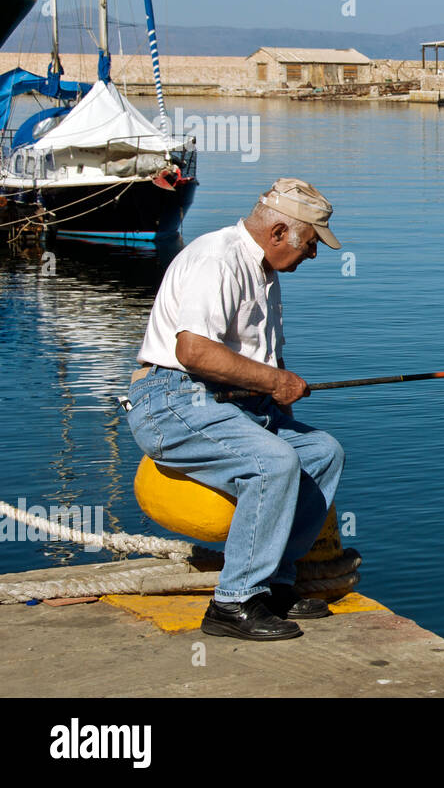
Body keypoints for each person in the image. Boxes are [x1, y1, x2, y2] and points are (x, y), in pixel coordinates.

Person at [123, 178, 345, 642]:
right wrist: (277, 381)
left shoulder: (264, 272)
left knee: (322, 452)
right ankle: (234, 603)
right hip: (172, 400)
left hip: (236, 404)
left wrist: (274, 389)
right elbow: (194, 352)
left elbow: (257, 361)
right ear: (279, 231)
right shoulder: (217, 259)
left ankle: (274, 587)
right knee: (273, 463)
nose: (314, 254)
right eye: (310, 243)